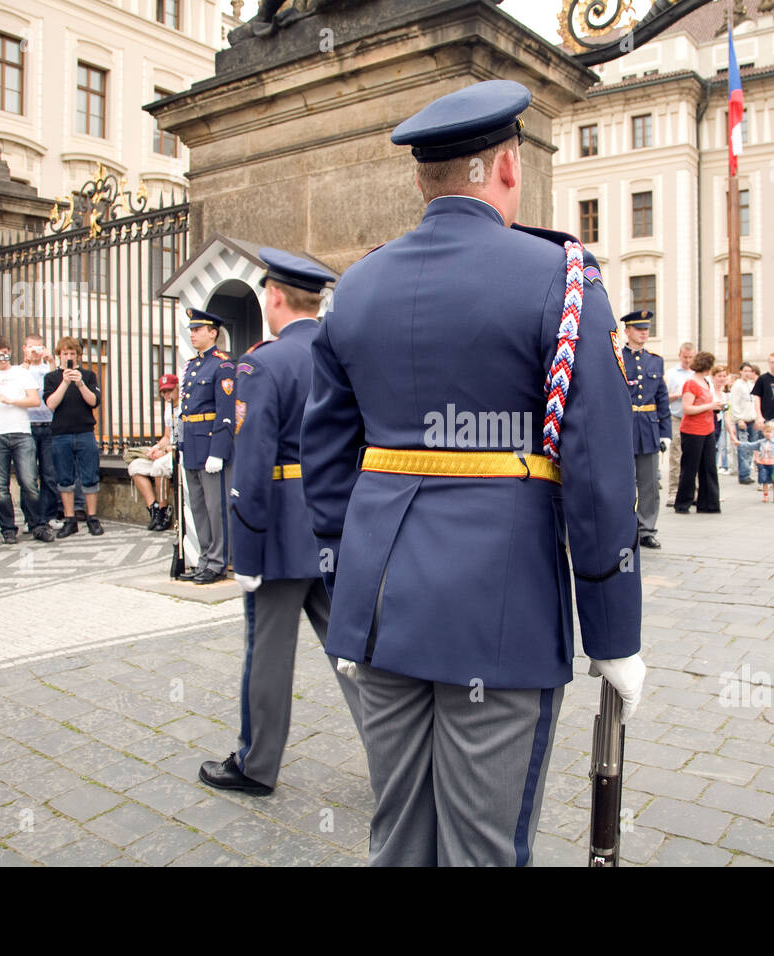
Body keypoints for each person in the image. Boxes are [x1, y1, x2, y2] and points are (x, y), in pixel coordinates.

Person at [301, 79, 645, 867]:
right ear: (507, 168)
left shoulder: (357, 285)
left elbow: (326, 456)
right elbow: (594, 471)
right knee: (483, 848)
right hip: (501, 605)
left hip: (380, 605)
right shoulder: (560, 279)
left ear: (422, 178)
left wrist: (347, 575)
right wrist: (614, 631)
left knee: (399, 837)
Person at [200, 247, 363, 795]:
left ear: (273, 296)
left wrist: (244, 553)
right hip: (340, 524)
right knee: (352, 650)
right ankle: (396, 758)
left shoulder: (262, 363)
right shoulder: (344, 351)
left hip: (282, 531)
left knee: (268, 650)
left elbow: (252, 461)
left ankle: (256, 763)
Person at [0, 336, 52, 544]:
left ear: (11, 352)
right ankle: (7, 528)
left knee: (30, 482)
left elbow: (34, 400)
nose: (2, 357)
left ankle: (37, 524)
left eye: (5, 352)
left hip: (21, 433)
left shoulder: (21, 373)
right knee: (0, 486)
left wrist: (10, 400)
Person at [177, 310, 235, 583]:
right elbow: (185, 409)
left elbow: (226, 412)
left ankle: (218, 562)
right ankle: (204, 559)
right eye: (191, 329)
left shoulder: (222, 365)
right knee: (199, 507)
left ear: (213, 332)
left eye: (198, 329)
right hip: (192, 444)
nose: (193, 333)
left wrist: (218, 451)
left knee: (216, 508)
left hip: (210, 444)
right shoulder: (191, 366)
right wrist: (180, 443)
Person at [44, 337, 104, 538]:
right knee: (64, 478)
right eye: (65, 354)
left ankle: (92, 517)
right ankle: (70, 520)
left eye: (72, 354)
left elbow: (93, 401)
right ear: (59, 356)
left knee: (90, 476)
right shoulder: (51, 378)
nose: (68, 357)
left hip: (85, 432)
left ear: (78, 356)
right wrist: (65, 382)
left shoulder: (88, 375)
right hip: (61, 434)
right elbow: (51, 404)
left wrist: (79, 383)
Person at [620, 310, 670, 549]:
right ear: (627, 330)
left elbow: (662, 398)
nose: (643, 333)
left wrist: (666, 432)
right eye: (639, 329)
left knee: (649, 483)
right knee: (623, 481)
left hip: (648, 428)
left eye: (646, 329)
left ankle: (647, 528)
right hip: (624, 427)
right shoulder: (617, 358)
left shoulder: (655, 361)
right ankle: (623, 526)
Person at [127, 373, 179, 531]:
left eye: (169, 391)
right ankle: (153, 508)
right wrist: (156, 448)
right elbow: (166, 436)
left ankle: (164, 509)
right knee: (135, 466)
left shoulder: (184, 406)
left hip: (178, 452)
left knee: (159, 466)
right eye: (163, 392)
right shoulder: (168, 409)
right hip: (167, 450)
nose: (167, 395)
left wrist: (166, 451)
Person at [23, 333, 63, 529]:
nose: (35, 352)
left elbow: (56, 384)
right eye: (31, 348)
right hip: (26, 425)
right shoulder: (20, 370)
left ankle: (49, 515)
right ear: (25, 349)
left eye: (39, 347)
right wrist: (27, 362)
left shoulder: (49, 368)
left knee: (49, 473)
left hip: (49, 424)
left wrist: (52, 362)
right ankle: (29, 518)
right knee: (28, 475)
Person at [673, 351, 720, 514]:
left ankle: (708, 503)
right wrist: (709, 406)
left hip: (707, 429)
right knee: (690, 468)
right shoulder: (691, 383)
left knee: (709, 467)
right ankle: (682, 503)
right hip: (692, 430)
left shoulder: (705, 382)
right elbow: (687, 408)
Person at [663, 342, 696, 507]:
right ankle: (674, 492)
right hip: (677, 417)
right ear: (679, 355)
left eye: (691, 357)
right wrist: (677, 395)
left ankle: (693, 491)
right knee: (676, 455)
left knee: (694, 457)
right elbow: (663, 396)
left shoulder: (696, 374)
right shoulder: (672, 374)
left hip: (694, 418)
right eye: (685, 357)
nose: (688, 360)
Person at [733, 420, 774, 503]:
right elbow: (750, 445)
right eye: (766, 431)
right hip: (764, 464)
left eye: (770, 432)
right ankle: (765, 495)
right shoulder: (761, 442)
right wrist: (740, 443)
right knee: (764, 480)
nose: (768, 434)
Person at [729, 362, 758, 485]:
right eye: (745, 371)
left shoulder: (751, 385)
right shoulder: (737, 385)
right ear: (741, 371)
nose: (747, 373)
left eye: (749, 371)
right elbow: (734, 402)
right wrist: (738, 418)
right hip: (743, 419)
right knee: (743, 447)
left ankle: (747, 470)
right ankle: (744, 474)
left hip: (752, 418)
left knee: (751, 446)